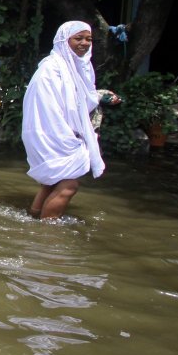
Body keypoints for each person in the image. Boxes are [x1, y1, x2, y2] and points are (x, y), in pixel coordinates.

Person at [22, 21, 120, 219]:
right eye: (78, 38)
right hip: (51, 134)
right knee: (69, 186)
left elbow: (83, 99)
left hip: (64, 132)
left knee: (52, 183)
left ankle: (32, 219)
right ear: (63, 40)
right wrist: (70, 136)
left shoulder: (80, 67)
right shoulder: (51, 69)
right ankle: (47, 235)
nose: (84, 43)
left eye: (88, 39)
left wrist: (100, 96)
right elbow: (47, 108)